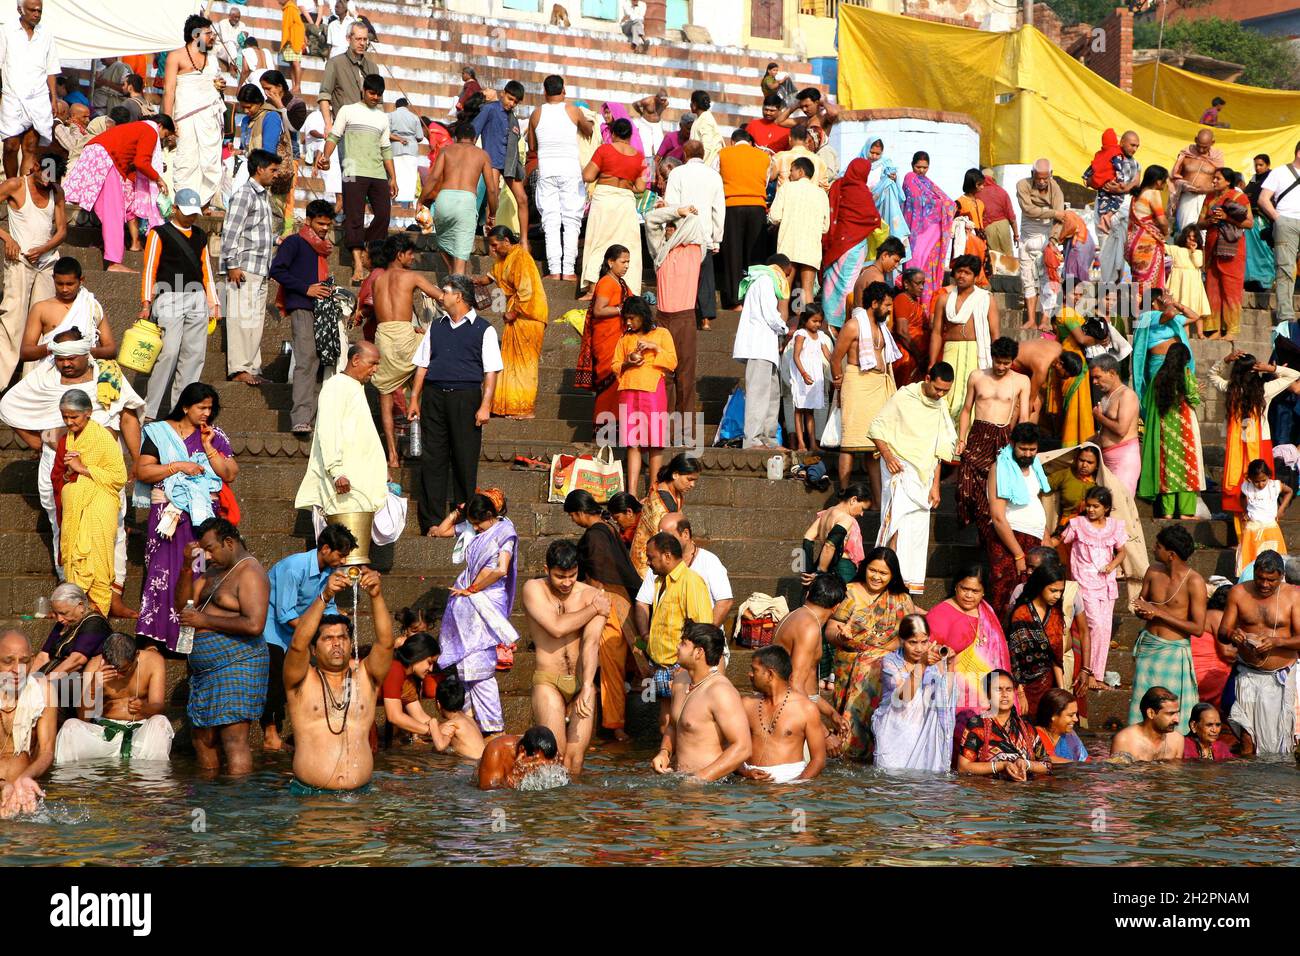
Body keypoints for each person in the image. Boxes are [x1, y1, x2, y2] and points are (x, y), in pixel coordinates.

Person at [1, 327, 141, 616]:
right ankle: (71, 599)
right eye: (61, 357)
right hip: (57, 466)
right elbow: (9, 407)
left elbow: (127, 416)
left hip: (101, 466)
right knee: (64, 530)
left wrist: (138, 459)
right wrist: (38, 443)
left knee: (112, 530)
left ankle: (112, 597)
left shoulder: (108, 373)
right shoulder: (45, 374)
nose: (65, 363)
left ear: (87, 351)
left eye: (72, 357)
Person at [131, 381, 236, 650]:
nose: (206, 414)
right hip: (169, 516)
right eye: (202, 408)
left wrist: (209, 447)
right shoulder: (159, 432)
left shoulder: (215, 434)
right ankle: (156, 637)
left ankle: (191, 638)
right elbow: (144, 472)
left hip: (203, 522)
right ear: (186, 407)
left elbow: (229, 474)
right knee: (162, 571)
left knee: (198, 572)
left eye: (210, 409)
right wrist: (178, 466)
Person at [283, 565, 395, 793]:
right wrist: (325, 596)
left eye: (343, 637)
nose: (337, 643)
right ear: (314, 649)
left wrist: (376, 595)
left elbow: (386, 644)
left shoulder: (366, 677)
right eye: (328, 638)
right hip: (311, 800)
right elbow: (297, 645)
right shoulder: (302, 681)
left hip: (359, 799)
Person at [174, 518, 268, 775]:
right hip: (205, 672)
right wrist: (185, 566)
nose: (206, 555)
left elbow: (254, 624)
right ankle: (211, 801)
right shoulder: (212, 571)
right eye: (202, 549)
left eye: (210, 548)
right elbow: (182, 606)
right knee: (201, 739)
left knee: (233, 740)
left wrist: (204, 620)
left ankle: (236, 807)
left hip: (238, 663)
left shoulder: (250, 572)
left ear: (229, 542)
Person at [409, 274, 502, 532]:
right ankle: (432, 521)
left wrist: (485, 406)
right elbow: (423, 365)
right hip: (435, 395)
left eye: (446, 292)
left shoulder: (485, 329)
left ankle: (464, 519)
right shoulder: (436, 326)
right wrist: (415, 398)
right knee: (433, 459)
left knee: (464, 459)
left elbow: (491, 372)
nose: (442, 296)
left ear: (459, 296)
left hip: (466, 396)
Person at [261, 526, 355, 751]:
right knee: (275, 678)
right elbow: (285, 614)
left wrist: (338, 622)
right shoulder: (294, 568)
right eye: (340, 555)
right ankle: (271, 735)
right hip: (273, 629)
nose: (343, 561)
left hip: (304, 628)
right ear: (325, 549)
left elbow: (328, 605)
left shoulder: (330, 571)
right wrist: (315, 633)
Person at [521, 540, 609, 776]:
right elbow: (556, 627)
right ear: (546, 568)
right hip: (548, 681)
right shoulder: (533, 588)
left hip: (582, 683)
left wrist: (588, 685)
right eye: (560, 576)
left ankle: (572, 811)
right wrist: (593, 609)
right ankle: (552, 811)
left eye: (572, 575)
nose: (567, 582)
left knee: (575, 760)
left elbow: (591, 644)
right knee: (554, 757)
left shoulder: (592, 594)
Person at [868, 364, 956, 594]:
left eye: (945, 391)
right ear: (927, 378)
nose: (940, 394)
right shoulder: (904, 396)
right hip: (897, 465)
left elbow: (939, 449)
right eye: (937, 389)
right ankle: (885, 576)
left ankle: (906, 584)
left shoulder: (940, 406)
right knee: (895, 521)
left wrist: (936, 485)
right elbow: (877, 427)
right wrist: (887, 456)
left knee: (916, 528)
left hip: (924, 473)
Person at [564, 489, 643, 740]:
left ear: (578, 513)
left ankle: (616, 726)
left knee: (610, 666)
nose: (573, 521)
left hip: (606, 601)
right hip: (619, 599)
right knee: (608, 663)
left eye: (572, 516)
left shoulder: (596, 535)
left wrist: (591, 607)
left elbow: (597, 575)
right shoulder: (608, 527)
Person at [438, 491, 518, 734]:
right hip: (469, 599)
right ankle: (472, 722)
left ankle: (494, 728)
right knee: (467, 669)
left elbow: (500, 570)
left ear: (490, 515)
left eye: (478, 522)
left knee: (480, 668)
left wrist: (472, 590)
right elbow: (441, 531)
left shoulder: (504, 532)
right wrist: (457, 512)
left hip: (487, 598)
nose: (475, 527)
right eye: (472, 523)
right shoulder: (476, 528)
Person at [825, 546, 914, 761]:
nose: (876, 577)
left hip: (884, 666)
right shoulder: (850, 592)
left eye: (883, 573)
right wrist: (841, 636)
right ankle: (848, 749)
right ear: (865, 568)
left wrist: (882, 651)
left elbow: (907, 635)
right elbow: (830, 629)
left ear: (892, 575)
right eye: (872, 570)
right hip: (849, 663)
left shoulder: (901, 599)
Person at [140, 188, 220, 420]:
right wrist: (146, 302)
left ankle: (181, 413)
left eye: (194, 213)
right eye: (186, 212)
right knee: (169, 351)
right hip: (168, 296)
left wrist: (213, 302)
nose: (191, 217)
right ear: (174, 208)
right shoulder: (159, 233)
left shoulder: (200, 235)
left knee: (194, 355)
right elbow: (149, 270)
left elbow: (207, 271)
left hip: (196, 297)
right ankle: (150, 410)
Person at [63, 116, 174, 273]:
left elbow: (132, 161)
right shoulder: (150, 130)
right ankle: (114, 262)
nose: (162, 139)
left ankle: (110, 249)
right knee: (114, 212)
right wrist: (158, 179)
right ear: (160, 126)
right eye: (165, 134)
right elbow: (142, 162)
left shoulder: (138, 127)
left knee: (111, 209)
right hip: (106, 159)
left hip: (99, 155)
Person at [294, 338, 385, 528]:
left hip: (357, 483)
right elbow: (329, 431)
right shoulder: (336, 386)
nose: (375, 369)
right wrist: (337, 472)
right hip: (344, 483)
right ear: (356, 360)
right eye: (373, 363)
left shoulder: (355, 387)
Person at [1218, 550, 1300, 755]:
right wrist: (1233, 635)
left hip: (1280, 678)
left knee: (1280, 741)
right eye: (1260, 578)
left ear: (1281, 576)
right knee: (1247, 737)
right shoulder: (1238, 592)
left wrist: (1275, 642)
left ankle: (1275, 785)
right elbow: (1222, 631)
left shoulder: (1293, 596)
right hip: (1247, 674)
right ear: (1253, 572)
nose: (1264, 584)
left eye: (1271, 580)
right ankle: (1247, 785)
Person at [368, 235, 441, 467]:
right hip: (404, 335)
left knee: (385, 397)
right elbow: (440, 297)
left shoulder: (377, 281)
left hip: (383, 337)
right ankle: (428, 437)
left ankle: (391, 455)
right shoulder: (411, 277)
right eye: (410, 253)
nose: (412, 257)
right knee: (432, 369)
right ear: (400, 254)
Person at [316, 73, 394, 283]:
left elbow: (386, 149)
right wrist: (325, 156)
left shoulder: (382, 117)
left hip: (377, 172)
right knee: (354, 216)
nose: (375, 97)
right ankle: (358, 263)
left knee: (384, 214)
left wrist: (392, 177)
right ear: (363, 90)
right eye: (372, 93)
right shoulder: (348, 110)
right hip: (351, 168)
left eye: (379, 94)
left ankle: (368, 249)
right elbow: (333, 136)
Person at [1128, 525, 1205, 733]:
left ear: (1171, 554)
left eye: (1158, 546)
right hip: (1148, 651)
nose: (1154, 549)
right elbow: (1141, 604)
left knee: (1172, 710)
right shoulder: (1153, 571)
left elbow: (1198, 628)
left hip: (1174, 652)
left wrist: (1159, 613)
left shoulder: (1194, 581)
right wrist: (1142, 610)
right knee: (1143, 706)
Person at [55, 389, 125, 616]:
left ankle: (98, 616)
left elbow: (119, 477)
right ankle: (74, 614)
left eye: (73, 417)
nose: (69, 421)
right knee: (76, 558)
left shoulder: (103, 437)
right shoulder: (67, 440)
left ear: (88, 413)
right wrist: (68, 474)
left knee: (97, 561)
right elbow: (60, 476)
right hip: (77, 507)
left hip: (100, 505)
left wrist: (82, 468)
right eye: (65, 417)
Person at [268, 199, 336, 433]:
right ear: (308, 221)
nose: (324, 228)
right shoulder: (294, 242)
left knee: (321, 362)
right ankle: (300, 417)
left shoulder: (323, 247)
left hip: (322, 310)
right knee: (306, 360)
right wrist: (306, 288)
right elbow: (276, 269)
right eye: (320, 223)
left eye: (328, 224)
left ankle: (312, 417)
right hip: (302, 306)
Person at [653, 622, 751, 780]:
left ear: (699, 652)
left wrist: (701, 778)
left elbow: (743, 748)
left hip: (712, 793)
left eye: (684, 643)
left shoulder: (720, 691)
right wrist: (664, 753)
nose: (678, 647)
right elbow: (673, 725)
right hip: (681, 780)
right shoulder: (680, 680)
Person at [54, 633, 171, 763]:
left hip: (140, 735)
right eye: (114, 670)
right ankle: (71, 781)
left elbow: (158, 706)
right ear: (104, 659)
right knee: (70, 726)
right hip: (103, 735)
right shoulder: (94, 666)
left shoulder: (153, 661)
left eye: (124, 671)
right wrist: (92, 688)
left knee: (161, 722)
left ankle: (154, 780)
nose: (119, 676)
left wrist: (144, 707)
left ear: (136, 656)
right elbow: (83, 717)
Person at [1211, 351, 1300, 518]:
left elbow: (1212, 375)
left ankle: (1241, 532)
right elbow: (1295, 375)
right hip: (1261, 443)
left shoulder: (1230, 389)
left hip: (1238, 445)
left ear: (1236, 371)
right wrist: (1271, 368)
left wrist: (1225, 360)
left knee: (1240, 483)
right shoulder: (1265, 389)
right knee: (1260, 482)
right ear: (1256, 371)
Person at [0, 158, 66, 385]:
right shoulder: (15, 185)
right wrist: (7, 238)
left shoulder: (56, 191)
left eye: (53, 179)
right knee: (13, 320)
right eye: (46, 176)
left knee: (43, 324)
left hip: (46, 263)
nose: (48, 183)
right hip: (19, 261)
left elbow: (61, 231)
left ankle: (30, 384)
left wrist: (45, 248)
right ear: (36, 167)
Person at [831, 281, 899, 499]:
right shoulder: (853, 325)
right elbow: (835, 358)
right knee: (849, 442)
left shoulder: (882, 328)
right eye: (887, 305)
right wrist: (838, 381)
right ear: (874, 303)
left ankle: (878, 500)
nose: (889, 310)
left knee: (875, 445)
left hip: (879, 385)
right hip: (857, 383)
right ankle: (843, 494)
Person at [476, 226, 549, 420]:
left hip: (529, 316)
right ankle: (508, 405)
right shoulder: (502, 260)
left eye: (495, 245)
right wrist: (474, 281)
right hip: (515, 315)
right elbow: (489, 278)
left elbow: (526, 290)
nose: (492, 250)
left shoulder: (521, 257)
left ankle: (526, 409)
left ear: (507, 242)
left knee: (525, 364)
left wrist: (514, 312)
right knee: (510, 362)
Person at [956, 336, 1030, 527]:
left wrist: (1021, 446)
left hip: (1003, 438)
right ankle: (969, 524)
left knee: (995, 490)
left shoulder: (1021, 381)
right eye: (998, 362)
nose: (1002, 366)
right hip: (977, 435)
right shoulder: (977, 376)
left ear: (1012, 361)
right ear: (992, 357)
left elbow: (1023, 418)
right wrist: (961, 439)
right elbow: (966, 410)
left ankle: (987, 533)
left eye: (1006, 363)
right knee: (965, 489)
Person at [926, 564, 1011, 729]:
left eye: (975, 591)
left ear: (984, 592)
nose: (969, 595)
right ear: (956, 586)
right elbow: (928, 652)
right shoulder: (941, 612)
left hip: (990, 688)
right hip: (956, 691)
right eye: (964, 588)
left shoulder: (986, 612)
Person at [221, 148, 279, 387]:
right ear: (259, 169)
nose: (276, 174)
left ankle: (253, 367)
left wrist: (277, 241)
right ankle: (239, 368)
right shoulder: (245, 194)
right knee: (241, 318)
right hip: (243, 268)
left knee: (255, 320)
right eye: (273, 170)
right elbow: (230, 232)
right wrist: (232, 265)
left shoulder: (264, 195)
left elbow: (256, 231)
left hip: (261, 268)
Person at [871, 613, 955, 772]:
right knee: (889, 782)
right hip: (893, 732)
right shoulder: (891, 662)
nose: (919, 648)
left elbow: (946, 696)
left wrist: (950, 663)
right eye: (913, 642)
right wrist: (922, 664)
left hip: (923, 732)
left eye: (924, 642)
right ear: (902, 640)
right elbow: (904, 697)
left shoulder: (936, 663)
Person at [529, 74, 592, 281]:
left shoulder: (536, 113)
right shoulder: (572, 110)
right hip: (570, 172)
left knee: (551, 220)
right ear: (563, 90)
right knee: (572, 220)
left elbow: (532, 146)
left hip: (547, 170)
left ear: (544, 91)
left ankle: (554, 271)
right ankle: (569, 271)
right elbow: (588, 130)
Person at [1061, 486, 1127, 681]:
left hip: (1106, 583)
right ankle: (1087, 671)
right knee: (1095, 625)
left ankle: (1096, 675)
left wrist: (1112, 564)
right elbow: (1062, 542)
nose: (1091, 510)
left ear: (1106, 508)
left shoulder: (1114, 526)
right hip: (1083, 582)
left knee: (1105, 628)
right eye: (1088, 506)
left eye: (1095, 506)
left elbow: (1122, 551)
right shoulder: (1077, 524)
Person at [982, 423, 1049, 615]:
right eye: (1023, 449)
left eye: (1032, 449)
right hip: (1009, 539)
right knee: (1004, 595)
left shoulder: (1035, 466)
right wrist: (1019, 555)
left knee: (1030, 597)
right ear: (1012, 444)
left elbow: (1034, 500)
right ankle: (999, 642)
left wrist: (1045, 535)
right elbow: (997, 516)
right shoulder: (1000, 467)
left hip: (1035, 538)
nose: (1028, 454)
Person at [612, 296, 675, 497]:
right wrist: (628, 362)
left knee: (655, 442)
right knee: (633, 442)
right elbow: (614, 365)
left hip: (653, 391)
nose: (628, 322)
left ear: (642, 316)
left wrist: (654, 347)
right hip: (629, 391)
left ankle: (654, 491)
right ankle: (631, 492)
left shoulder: (662, 333)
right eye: (626, 319)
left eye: (632, 318)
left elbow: (672, 362)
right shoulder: (624, 338)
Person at [163, 15, 225, 210]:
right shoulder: (176, 56)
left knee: (210, 161)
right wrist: (168, 122)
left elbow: (215, 84)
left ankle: (203, 202)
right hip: (185, 117)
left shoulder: (212, 58)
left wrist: (219, 86)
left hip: (209, 118)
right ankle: (182, 203)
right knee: (186, 159)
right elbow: (169, 90)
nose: (213, 37)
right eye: (208, 34)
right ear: (195, 35)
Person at [774, 572, 846, 740]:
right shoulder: (809, 627)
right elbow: (795, 684)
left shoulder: (794, 615)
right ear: (837, 606)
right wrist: (824, 733)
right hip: (790, 713)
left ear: (808, 594)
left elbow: (805, 687)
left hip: (790, 706)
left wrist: (831, 713)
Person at [421, 120, 498, 277]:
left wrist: (420, 201)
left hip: (444, 199)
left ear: (455, 138)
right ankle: (457, 286)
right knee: (460, 260)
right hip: (466, 202)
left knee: (443, 242)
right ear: (474, 139)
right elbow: (491, 188)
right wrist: (492, 214)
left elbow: (433, 178)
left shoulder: (446, 151)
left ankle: (451, 275)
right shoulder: (482, 154)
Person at [739, 645, 826, 782]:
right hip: (749, 784)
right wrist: (744, 772)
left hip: (791, 784)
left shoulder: (806, 708)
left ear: (769, 674)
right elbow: (728, 746)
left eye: (754, 670)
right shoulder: (746, 704)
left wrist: (795, 785)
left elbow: (818, 759)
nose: (750, 674)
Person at [732, 254, 793, 450]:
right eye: (787, 274)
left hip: (767, 350)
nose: (786, 279)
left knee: (773, 394)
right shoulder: (765, 280)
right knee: (758, 394)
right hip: (759, 348)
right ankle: (752, 440)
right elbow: (770, 314)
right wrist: (785, 329)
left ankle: (769, 438)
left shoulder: (766, 281)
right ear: (781, 269)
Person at [663, 138, 724, 333]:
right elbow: (719, 210)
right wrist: (717, 238)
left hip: (682, 231)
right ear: (704, 155)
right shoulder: (714, 176)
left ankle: (682, 314)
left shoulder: (677, 173)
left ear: (685, 155)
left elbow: (671, 204)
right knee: (705, 276)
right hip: (704, 233)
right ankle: (705, 319)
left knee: (682, 274)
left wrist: (668, 227)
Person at [580, 115, 644, 297]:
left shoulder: (604, 150)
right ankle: (629, 292)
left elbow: (588, 176)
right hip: (625, 201)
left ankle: (592, 290)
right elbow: (640, 187)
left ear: (613, 133)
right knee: (628, 244)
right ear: (630, 136)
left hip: (604, 199)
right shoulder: (639, 157)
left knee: (598, 242)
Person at [929, 255, 998, 420]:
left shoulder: (986, 299)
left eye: (967, 272)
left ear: (975, 277)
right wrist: (932, 362)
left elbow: (995, 333)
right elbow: (937, 332)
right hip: (951, 350)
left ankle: (967, 439)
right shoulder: (944, 299)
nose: (962, 276)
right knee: (947, 394)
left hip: (977, 351)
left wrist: (996, 361)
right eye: (959, 271)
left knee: (973, 394)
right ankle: (946, 438)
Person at [0, 1, 59, 179]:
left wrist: (54, 98)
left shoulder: (46, 33)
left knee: (31, 146)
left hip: (38, 97)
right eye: (32, 10)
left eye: (39, 10)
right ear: (20, 9)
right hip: (12, 97)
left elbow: (51, 68)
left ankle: (24, 193)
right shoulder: (6, 31)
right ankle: (12, 186)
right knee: (10, 145)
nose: (36, 13)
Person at [820, 157, 881, 331]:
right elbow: (873, 218)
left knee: (831, 281)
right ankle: (844, 322)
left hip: (837, 244)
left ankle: (830, 320)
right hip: (856, 247)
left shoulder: (838, 185)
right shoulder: (863, 192)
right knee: (849, 283)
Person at [956, 669, 1051, 778]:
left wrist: (1026, 764)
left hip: (1024, 791)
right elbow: (963, 767)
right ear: (988, 695)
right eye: (998, 690)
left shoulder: (1026, 728)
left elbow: (1047, 765)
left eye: (1009, 689)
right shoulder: (977, 725)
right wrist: (1002, 766)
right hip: (989, 791)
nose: (1004, 694)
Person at [0, 630, 55, 817]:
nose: (17, 670)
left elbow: (47, 751)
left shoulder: (43, 691)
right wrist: (2, 785)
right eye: (8, 661)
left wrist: (25, 778)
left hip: (24, 790)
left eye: (24, 661)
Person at [576, 244, 631, 427]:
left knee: (617, 385)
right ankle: (602, 430)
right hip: (607, 341)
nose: (626, 266)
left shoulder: (620, 283)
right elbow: (599, 310)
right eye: (623, 262)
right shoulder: (607, 282)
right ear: (610, 262)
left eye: (628, 262)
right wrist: (621, 309)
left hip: (618, 340)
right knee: (609, 384)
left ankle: (613, 428)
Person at [717, 129, 771, 310]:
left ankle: (734, 301)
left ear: (733, 141)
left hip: (731, 205)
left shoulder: (723, 154)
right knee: (756, 255)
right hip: (757, 207)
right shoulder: (763, 157)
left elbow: (716, 178)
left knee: (733, 254)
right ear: (750, 142)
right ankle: (754, 298)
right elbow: (767, 179)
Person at [1006, 563, 1068, 717]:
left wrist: (1062, 691)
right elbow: (1014, 659)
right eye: (1053, 590)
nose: (1057, 596)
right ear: (1040, 586)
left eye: (1061, 591)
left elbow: (1056, 658)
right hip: (1024, 687)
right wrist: (1020, 694)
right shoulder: (1022, 614)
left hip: (1048, 684)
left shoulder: (1055, 614)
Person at [472, 79, 528, 249]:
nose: (512, 104)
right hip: (491, 161)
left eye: (515, 102)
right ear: (503, 93)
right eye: (510, 99)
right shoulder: (489, 109)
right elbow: (473, 133)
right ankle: (492, 238)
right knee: (493, 194)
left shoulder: (513, 119)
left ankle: (524, 240)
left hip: (509, 163)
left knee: (523, 199)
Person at [769, 156, 830, 311]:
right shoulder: (821, 193)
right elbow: (825, 227)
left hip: (788, 246)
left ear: (801, 171)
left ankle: (780, 329)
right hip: (810, 248)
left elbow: (774, 217)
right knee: (807, 291)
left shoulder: (786, 188)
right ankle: (803, 328)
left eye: (792, 171)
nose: (790, 174)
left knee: (784, 290)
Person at [1199, 167, 1252, 341]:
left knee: (1231, 289)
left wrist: (1226, 218)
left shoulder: (1239, 197)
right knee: (1213, 288)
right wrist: (1209, 221)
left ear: (1228, 181)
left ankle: (1232, 329)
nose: (1214, 181)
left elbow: (1249, 223)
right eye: (1213, 178)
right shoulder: (1209, 198)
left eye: (1218, 179)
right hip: (1212, 246)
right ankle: (1214, 329)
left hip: (1232, 249)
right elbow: (1200, 223)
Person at [901, 151, 954, 316]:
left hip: (931, 236)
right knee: (914, 266)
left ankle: (926, 310)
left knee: (927, 271)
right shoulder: (910, 178)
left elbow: (949, 203)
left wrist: (940, 204)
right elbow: (917, 200)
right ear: (912, 165)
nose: (921, 170)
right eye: (918, 166)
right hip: (916, 234)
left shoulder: (929, 183)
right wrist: (937, 204)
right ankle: (912, 309)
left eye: (925, 167)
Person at [629, 453, 700, 576]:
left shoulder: (674, 493)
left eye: (695, 480)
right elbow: (665, 539)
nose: (692, 485)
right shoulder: (661, 502)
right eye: (689, 479)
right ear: (675, 474)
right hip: (647, 565)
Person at [1016, 159, 1065, 332]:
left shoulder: (1056, 189)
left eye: (1046, 179)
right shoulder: (1022, 185)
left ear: (1051, 175)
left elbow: (1061, 219)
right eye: (1039, 178)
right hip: (1027, 238)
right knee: (1027, 280)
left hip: (1046, 238)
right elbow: (1028, 210)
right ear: (1033, 175)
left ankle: (1044, 320)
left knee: (1049, 281)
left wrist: (1053, 241)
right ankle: (1031, 319)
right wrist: (1053, 212)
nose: (1042, 182)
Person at [1131, 288, 1198, 408]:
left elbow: (1194, 317)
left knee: (1178, 401)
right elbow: (1170, 313)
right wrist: (1168, 303)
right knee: (1161, 401)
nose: (1167, 299)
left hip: (1178, 361)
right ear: (1155, 300)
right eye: (1163, 297)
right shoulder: (1148, 316)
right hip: (1160, 364)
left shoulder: (1169, 319)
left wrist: (1176, 304)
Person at [1258, 140, 1300, 327]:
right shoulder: (1280, 172)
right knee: (1285, 268)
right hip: (1287, 222)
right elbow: (1263, 198)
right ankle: (1286, 314)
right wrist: (1278, 218)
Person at [1088, 353, 1140, 496]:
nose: (1094, 382)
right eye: (1093, 378)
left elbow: (1121, 429)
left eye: (1097, 377)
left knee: (1120, 504)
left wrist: (1099, 417)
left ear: (1112, 373)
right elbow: (1106, 431)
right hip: (1105, 458)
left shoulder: (1126, 395)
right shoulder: (1106, 397)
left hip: (1124, 459)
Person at [316, 19, 376, 134]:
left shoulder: (373, 68)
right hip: (345, 130)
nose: (362, 43)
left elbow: (378, 103)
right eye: (358, 39)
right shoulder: (335, 63)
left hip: (368, 130)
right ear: (348, 39)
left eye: (365, 39)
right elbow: (324, 96)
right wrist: (328, 125)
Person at [1238, 458, 1291, 574]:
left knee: (1273, 557)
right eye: (1256, 482)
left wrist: (1281, 509)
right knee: (1252, 558)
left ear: (1268, 476)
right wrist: (1245, 511)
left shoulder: (1275, 486)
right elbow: (1242, 497)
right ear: (1250, 478)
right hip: (1253, 528)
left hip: (1270, 527)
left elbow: (1289, 492)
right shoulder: (1247, 487)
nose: (1260, 484)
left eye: (1263, 480)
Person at [790, 310, 832, 452]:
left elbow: (827, 354)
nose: (817, 324)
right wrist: (803, 373)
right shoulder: (801, 334)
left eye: (820, 321)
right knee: (799, 409)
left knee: (810, 410)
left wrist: (836, 366)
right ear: (806, 320)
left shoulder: (820, 336)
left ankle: (813, 443)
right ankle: (801, 443)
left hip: (814, 376)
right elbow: (796, 356)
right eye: (814, 321)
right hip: (802, 375)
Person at [1111, 686, 1185, 761]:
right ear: (1151, 713)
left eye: (1177, 713)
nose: (1177, 720)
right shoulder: (1125, 741)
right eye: (1170, 714)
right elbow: (1118, 772)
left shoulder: (1177, 740)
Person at [1170, 129, 1223, 234]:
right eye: (1199, 145)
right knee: (1186, 231)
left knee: (1203, 233)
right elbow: (1174, 176)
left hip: (1207, 199)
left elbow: (1221, 181)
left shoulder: (1217, 157)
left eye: (1205, 147)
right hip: (1187, 198)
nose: (1201, 150)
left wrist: (1206, 189)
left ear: (1212, 143)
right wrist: (1182, 185)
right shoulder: (1186, 153)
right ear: (1195, 140)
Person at [477, 726, 564, 790]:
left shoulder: (554, 756)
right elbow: (488, 792)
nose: (541, 768)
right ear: (522, 751)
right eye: (537, 763)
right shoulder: (496, 750)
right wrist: (514, 776)